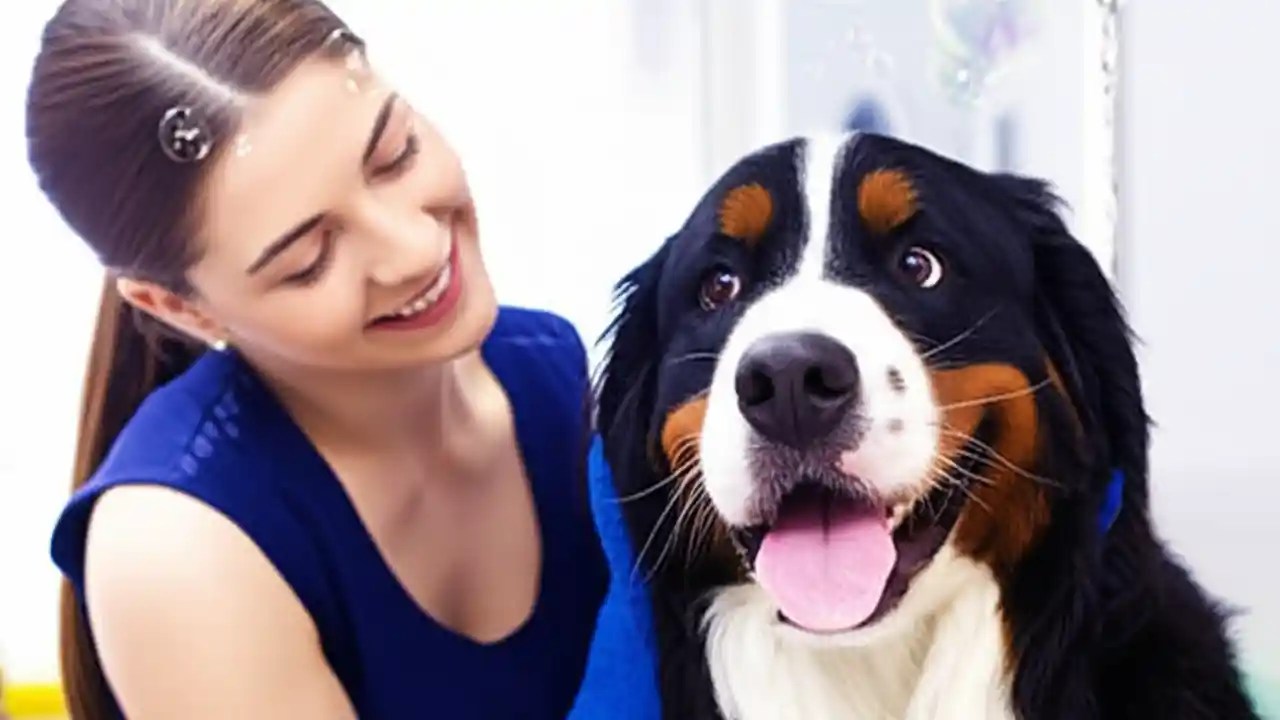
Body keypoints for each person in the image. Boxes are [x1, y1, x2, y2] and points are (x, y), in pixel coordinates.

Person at [30, 0, 608, 717]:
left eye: (395, 155)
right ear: (181, 308)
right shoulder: (177, 547)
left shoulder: (555, 375)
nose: (415, 248)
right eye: (310, 260)